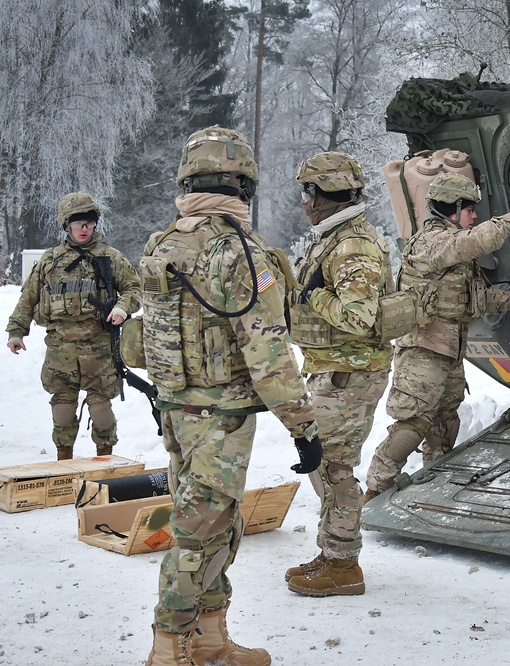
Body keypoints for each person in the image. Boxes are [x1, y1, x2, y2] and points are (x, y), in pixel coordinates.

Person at [140, 125, 322, 666]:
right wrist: (303, 426)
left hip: (177, 409)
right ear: (244, 185)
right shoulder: (241, 253)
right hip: (218, 417)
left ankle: (212, 639)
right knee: (200, 534)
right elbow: (267, 353)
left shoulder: (164, 241)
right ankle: (168, 648)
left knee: (216, 523)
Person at [364, 173, 510, 501]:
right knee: (411, 424)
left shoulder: (452, 252)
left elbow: (473, 297)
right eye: (470, 209)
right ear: (452, 208)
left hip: (448, 353)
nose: (474, 216)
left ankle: (435, 481)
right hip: (422, 354)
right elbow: (475, 241)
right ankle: (375, 489)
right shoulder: (433, 242)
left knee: (444, 424)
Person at [282, 152, 393, 597]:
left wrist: (316, 295)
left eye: (308, 192)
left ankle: (343, 564)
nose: (305, 202)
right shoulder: (335, 238)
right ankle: (332, 552)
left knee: (335, 467)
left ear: (326, 193)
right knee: (328, 464)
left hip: (350, 373)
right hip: (336, 370)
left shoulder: (352, 245)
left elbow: (359, 315)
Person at [5, 192, 141, 460]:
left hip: (99, 350)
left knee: (101, 411)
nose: (84, 228)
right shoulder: (49, 260)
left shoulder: (110, 258)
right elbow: (28, 297)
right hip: (60, 350)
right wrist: (16, 331)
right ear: (66, 224)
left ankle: (105, 463)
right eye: (78, 222)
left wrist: (122, 308)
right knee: (63, 411)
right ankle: (63, 465)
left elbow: (134, 289)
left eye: (89, 222)